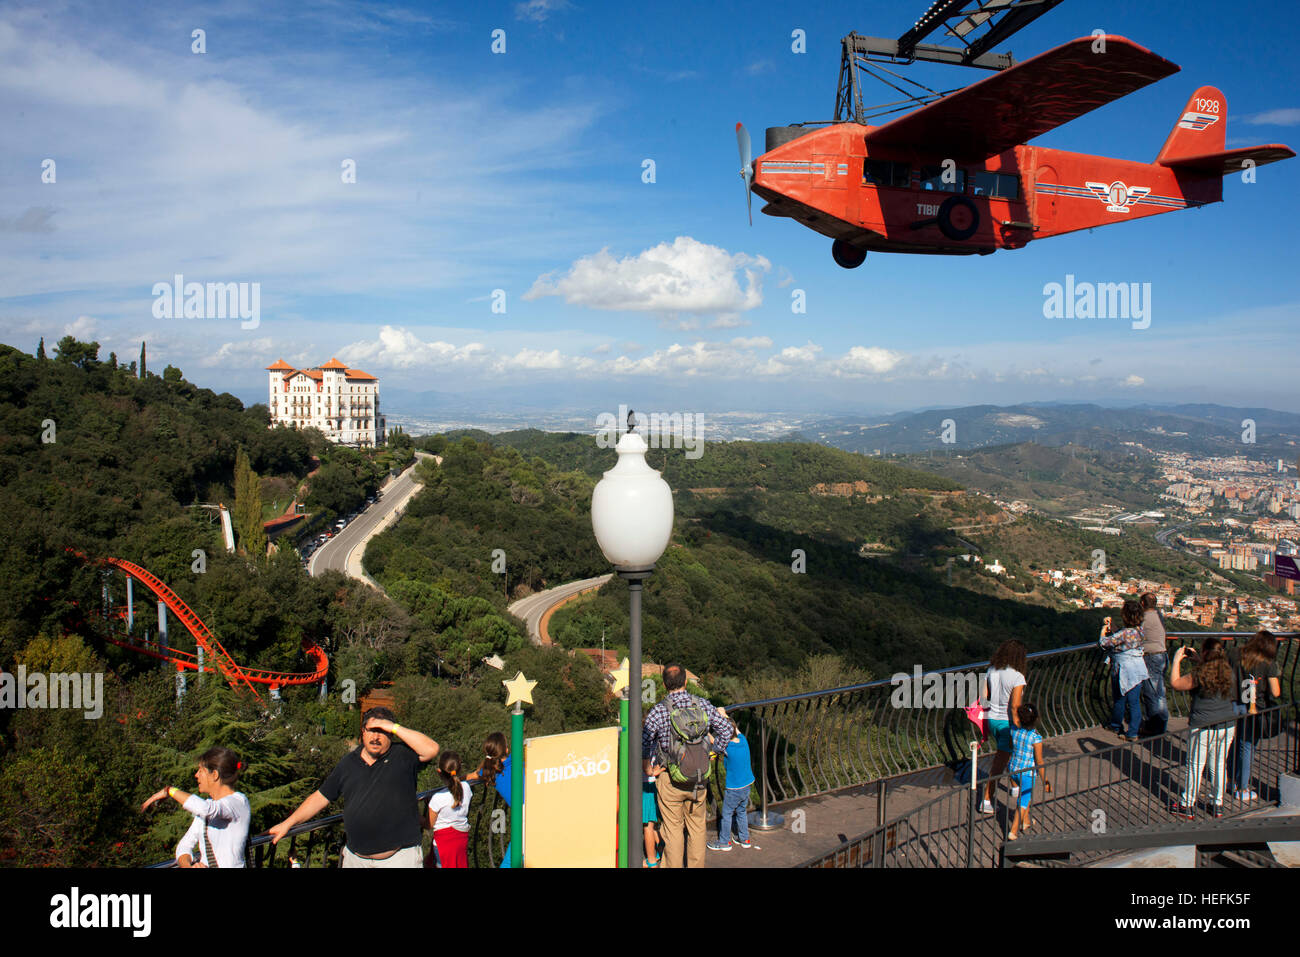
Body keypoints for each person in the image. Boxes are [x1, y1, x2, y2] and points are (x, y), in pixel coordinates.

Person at [268, 707, 439, 867]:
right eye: (371, 730)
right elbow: (320, 797)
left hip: (398, 858)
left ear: (391, 735)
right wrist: (288, 824)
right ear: (363, 732)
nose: (376, 737)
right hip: (356, 859)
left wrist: (391, 725)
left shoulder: (402, 755)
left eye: (382, 731)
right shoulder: (348, 763)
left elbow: (431, 749)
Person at [643, 663, 733, 868]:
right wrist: (712, 753)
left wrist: (648, 768)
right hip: (699, 777)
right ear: (685, 682)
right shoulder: (702, 704)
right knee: (697, 829)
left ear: (665, 685)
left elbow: (646, 740)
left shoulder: (658, 711)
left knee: (673, 831)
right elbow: (726, 729)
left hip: (670, 778)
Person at [142, 746, 251, 868]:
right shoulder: (209, 807)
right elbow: (184, 846)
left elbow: (205, 809)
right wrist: (188, 865)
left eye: (200, 770)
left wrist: (170, 790)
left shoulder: (238, 802)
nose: (196, 775)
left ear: (214, 774)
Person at [1169, 638, 1236, 818]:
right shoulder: (1228, 671)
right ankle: (1217, 803)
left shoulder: (1200, 674)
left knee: (1195, 765)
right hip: (1227, 725)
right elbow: (1212, 673)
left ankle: (1187, 804)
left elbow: (1176, 683)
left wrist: (1176, 660)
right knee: (1219, 764)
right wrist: (1199, 659)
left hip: (1203, 726)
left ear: (1206, 653)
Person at [1228, 630, 1283, 801]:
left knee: (1232, 743)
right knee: (1247, 746)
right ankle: (1243, 788)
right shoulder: (1267, 663)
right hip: (1254, 708)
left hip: (1233, 703)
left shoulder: (1234, 653)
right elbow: (1276, 692)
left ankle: (1229, 781)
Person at [981, 640, 1027, 813]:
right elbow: (1015, 707)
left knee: (1007, 753)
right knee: (999, 764)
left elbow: (984, 696)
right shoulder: (1017, 677)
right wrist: (1019, 728)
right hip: (1007, 723)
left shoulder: (991, 670)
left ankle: (1015, 786)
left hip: (991, 720)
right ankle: (986, 799)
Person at [708, 706, 757, 852]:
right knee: (741, 811)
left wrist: (705, 730)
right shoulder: (743, 740)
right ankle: (744, 838)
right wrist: (724, 715)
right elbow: (735, 731)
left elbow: (713, 741)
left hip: (734, 788)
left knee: (727, 813)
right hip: (747, 784)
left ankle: (724, 842)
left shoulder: (726, 747)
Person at [1099, 599, 1147, 741]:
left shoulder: (1123, 634)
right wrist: (1113, 625)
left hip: (1123, 669)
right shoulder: (1140, 631)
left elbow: (1105, 643)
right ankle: (1133, 732)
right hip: (1138, 668)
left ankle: (1115, 725)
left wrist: (1103, 631)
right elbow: (1124, 635)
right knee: (1134, 702)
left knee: (1119, 699)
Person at [466, 731, 513, 867]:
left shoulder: (490, 772)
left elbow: (471, 776)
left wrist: (454, 779)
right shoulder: (519, 761)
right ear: (506, 750)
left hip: (523, 820)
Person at [1006, 703, 1051, 841]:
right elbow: (1039, 762)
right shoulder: (1036, 737)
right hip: (1026, 773)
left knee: (1026, 794)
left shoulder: (1014, 729)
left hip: (1013, 768)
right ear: (1036, 719)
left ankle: (1026, 822)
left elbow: (1010, 746)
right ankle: (1013, 831)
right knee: (1024, 800)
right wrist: (1046, 781)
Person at [426, 751, 471, 868]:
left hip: (443, 844)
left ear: (439, 772)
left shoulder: (437, 798)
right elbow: (459, 782)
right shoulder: (466, 788)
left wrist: (415, 815)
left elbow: (429, 824)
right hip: (461, 840)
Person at [1138, 592, 1170, 736]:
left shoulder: (1144, 618)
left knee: (1150, 693)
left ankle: (1153, 727)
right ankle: (1162, 724)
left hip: (1151, 657)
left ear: (1143, 604)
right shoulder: (1159, 615)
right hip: (1162, 654)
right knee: (1160, 693)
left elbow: (1135, 635)